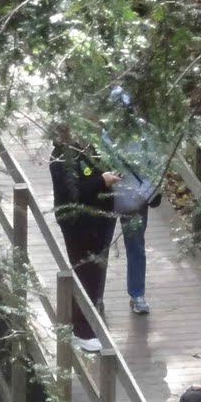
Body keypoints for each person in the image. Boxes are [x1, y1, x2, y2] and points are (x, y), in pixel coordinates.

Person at [48, 131, 119, 352]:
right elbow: (73, 192)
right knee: (85, 273)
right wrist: (102, 180)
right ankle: (82, 332)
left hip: (99, 221)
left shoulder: (87, 150)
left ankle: (86, 321)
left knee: (95, 273)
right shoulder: (61, 158)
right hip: (78, 224)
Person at [103, 86, 163, 315]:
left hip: (135, 201)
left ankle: (137, 294)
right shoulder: (102, 136)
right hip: (107, 200)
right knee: (101, 249)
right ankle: (96, 296)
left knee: (136, 247)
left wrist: (144, 191)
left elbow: (156, 165)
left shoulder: (145, 135)